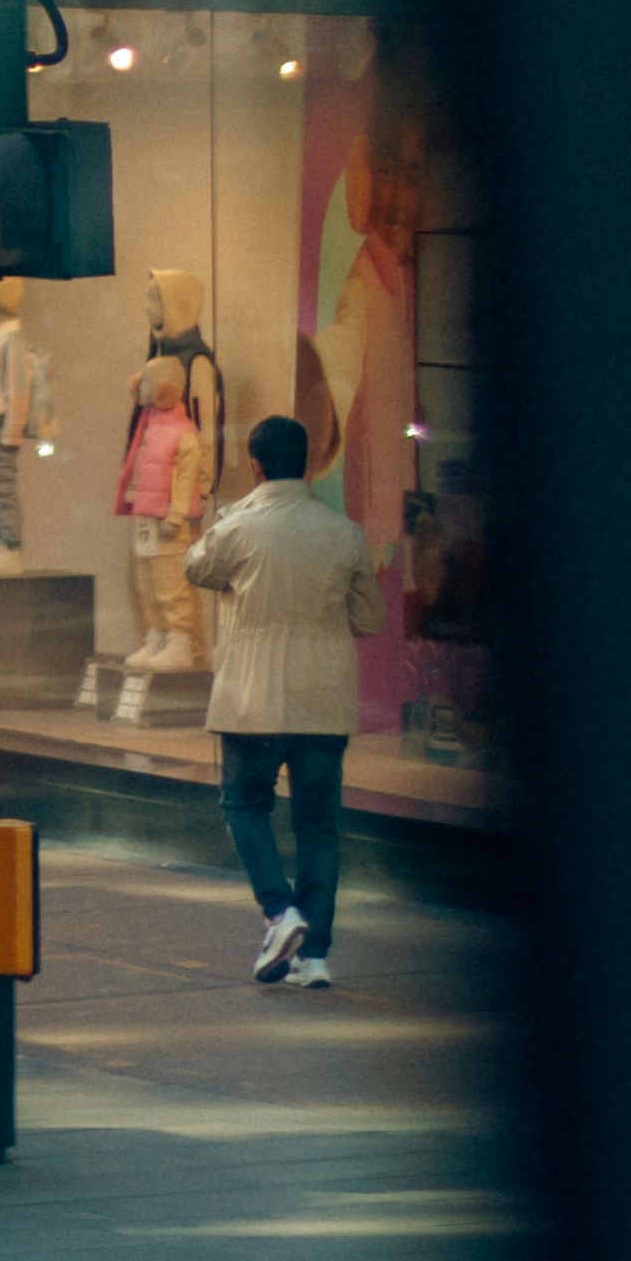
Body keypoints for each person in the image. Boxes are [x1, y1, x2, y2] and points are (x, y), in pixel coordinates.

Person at [186, 411, 383, 986]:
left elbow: (196, 566)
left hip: (252, 698)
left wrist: (238, 511)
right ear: (309, 466)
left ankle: (280, 912)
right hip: (324, 701)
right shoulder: (342, 532)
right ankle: (314, 956)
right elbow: (370, 617)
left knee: (245, 808)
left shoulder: (242, 525)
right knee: (319, 826)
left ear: (255, 465)